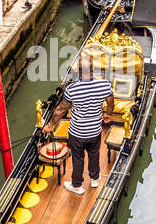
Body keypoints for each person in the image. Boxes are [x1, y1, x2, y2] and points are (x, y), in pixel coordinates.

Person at [44, 52, 115, 194]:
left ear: (78, 72)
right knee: (94, 154)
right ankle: (95, 179)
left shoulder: (72, 89)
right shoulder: (104, 85)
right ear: (93, 69)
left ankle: (77, 185)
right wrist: (108, 114)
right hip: (95, 131)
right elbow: (111, 102)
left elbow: (61, 110)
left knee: (78, 158)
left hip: (77, 132)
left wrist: (49, 126)